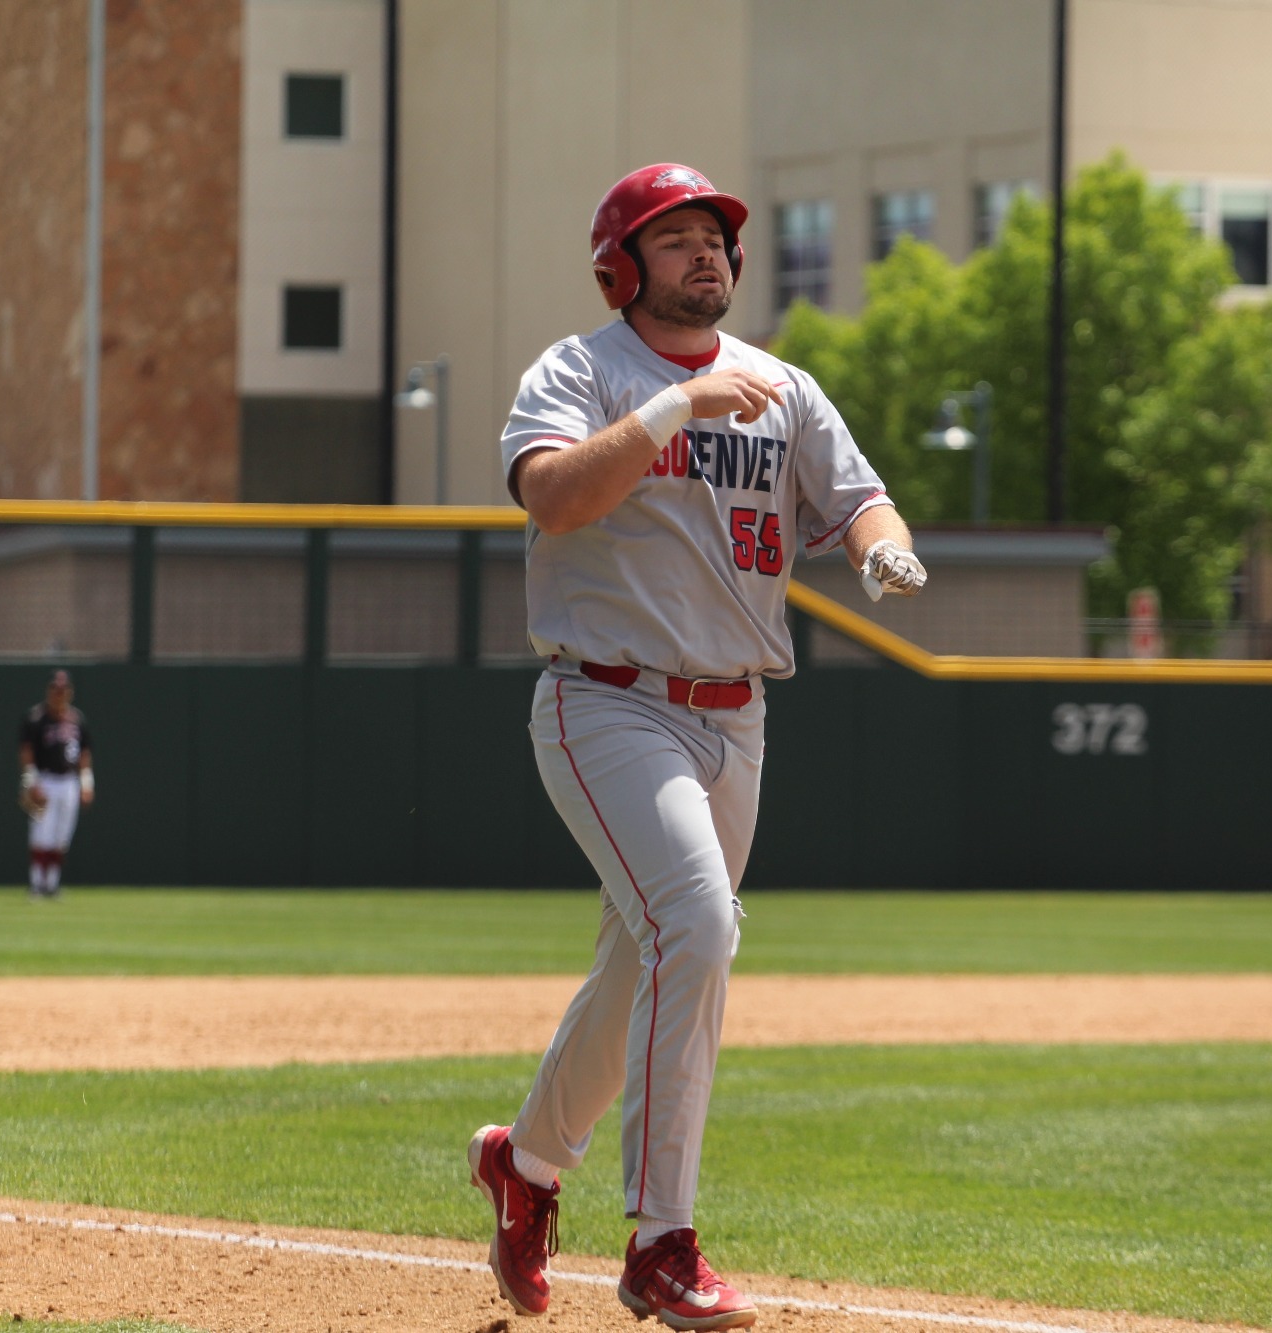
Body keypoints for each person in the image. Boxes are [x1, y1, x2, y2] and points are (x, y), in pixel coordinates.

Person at [467, 163, 926, 1332]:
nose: (704, 255)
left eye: (715, 237)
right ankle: (660, 1241)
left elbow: (860, 495)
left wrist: (879, 546)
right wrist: (667, 413)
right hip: (606, 703)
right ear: (621, 264)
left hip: (736, 719)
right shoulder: (581, 371)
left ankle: (523, 1165)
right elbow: (554, 499)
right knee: (700, 925)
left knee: (644, 964)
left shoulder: (781, 387)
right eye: (673, 239)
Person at [18, 669, 94, 900]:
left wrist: (87, 783)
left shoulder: (78, 719)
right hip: (45, 779)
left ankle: (52, 883)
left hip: (69, 781)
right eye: (55, 689)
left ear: (70, 692)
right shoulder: (36, 718)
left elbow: (84, 754)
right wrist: (31, 781)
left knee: (61, 836)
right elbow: (26, 751)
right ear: (49, 691)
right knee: (42, 834)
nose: (59, 694)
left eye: (63, 689)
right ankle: (36, 883)